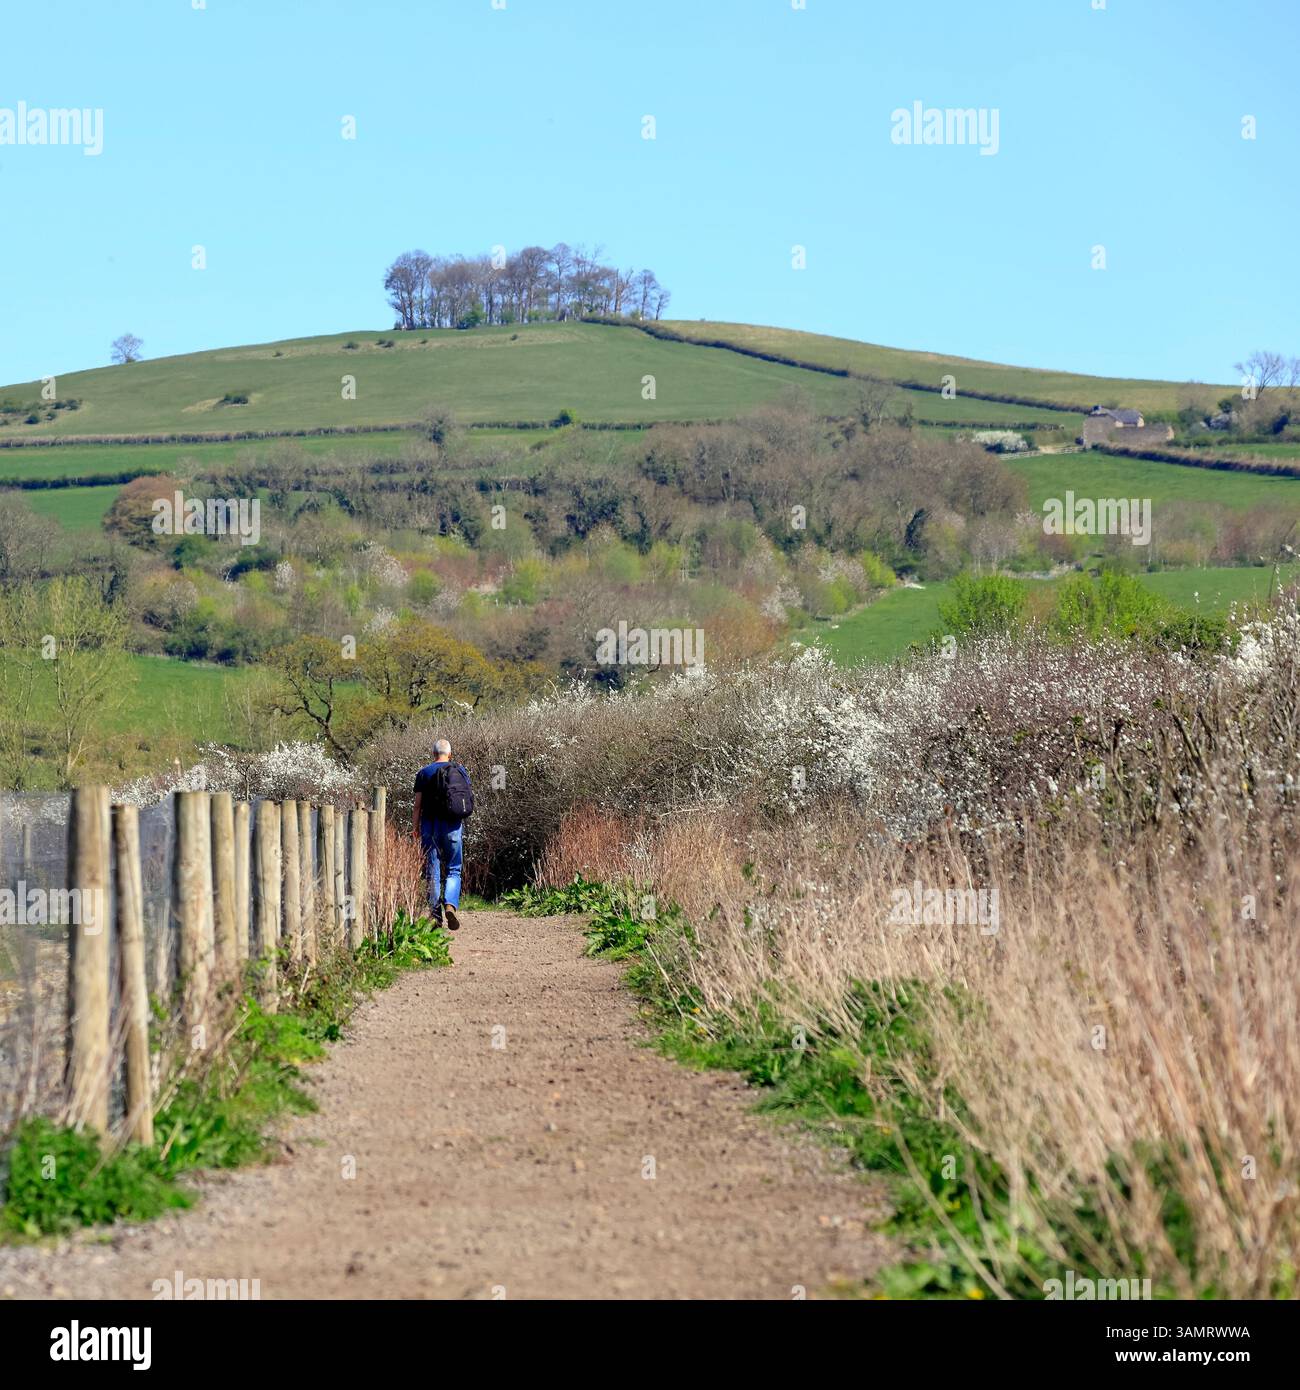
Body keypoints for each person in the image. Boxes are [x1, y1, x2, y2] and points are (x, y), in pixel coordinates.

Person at [412, 739, 474, 931]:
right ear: (450, 754)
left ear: (433, 754)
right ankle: (450, 905)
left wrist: (415, 828)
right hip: (453, 827)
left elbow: (417, 806)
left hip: (430, 828)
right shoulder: (460, 771)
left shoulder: (424, 773)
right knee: (454, 868)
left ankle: (435, 915)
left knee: (433, 871)